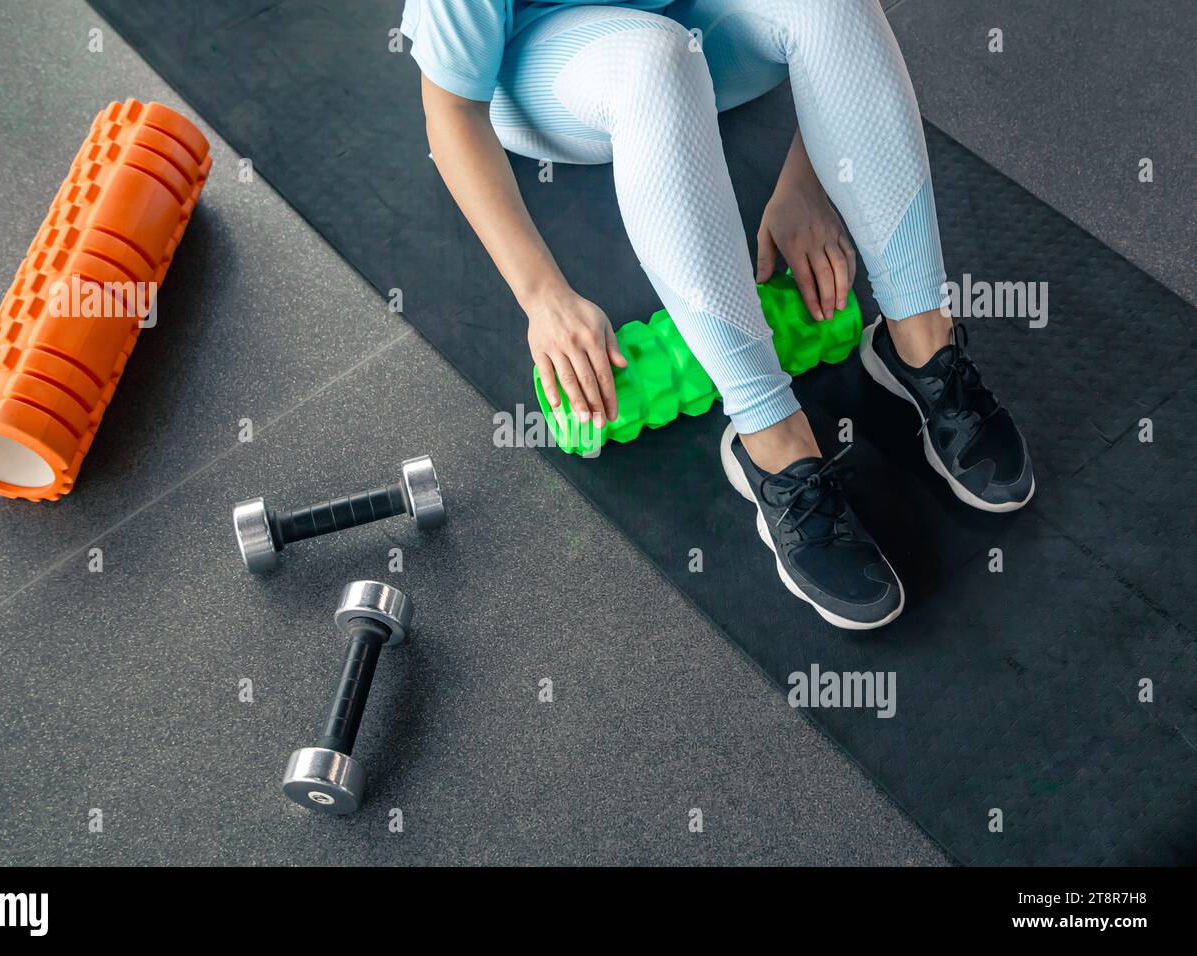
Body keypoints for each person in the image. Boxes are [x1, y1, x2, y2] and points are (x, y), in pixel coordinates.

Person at [402, 0, 1034, 629]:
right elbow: (452, 110)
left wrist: (810, 180)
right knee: (656, 62)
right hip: (545, 69)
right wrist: (544, 297)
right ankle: (772, 444)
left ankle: (922, 344)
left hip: (692, 28)